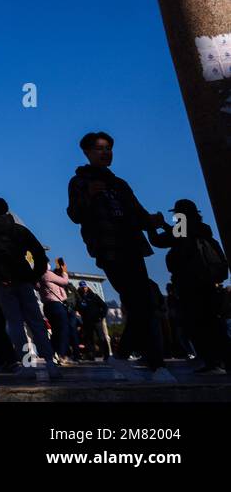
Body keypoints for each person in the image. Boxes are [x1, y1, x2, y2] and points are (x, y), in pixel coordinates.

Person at [67, 131, 171, 380]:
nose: (106, 153)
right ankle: (152, 363)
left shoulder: (119, 184)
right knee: (141, 304)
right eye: (100, 149)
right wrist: (89, 196)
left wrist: (153, 221)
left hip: (132, 246)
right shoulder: (79, 182)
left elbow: (137, 213)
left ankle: (137, 359)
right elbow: (75, 214)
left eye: (109, 149)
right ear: (88, 152)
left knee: (143, 305)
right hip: (109, 249)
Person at [0, 197, 61, 379]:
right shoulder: (18, 230)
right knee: (36, 322)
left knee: (15, 324)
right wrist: (34, 275)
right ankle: (51, 363)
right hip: (23, 280)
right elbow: (38, 252)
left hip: (4, 284)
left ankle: (27, 366)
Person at [149, 199, 230, 373]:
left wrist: (151, 226)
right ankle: (224, 359)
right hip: (207, 282)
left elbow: (160, 241)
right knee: (213, 323)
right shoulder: (201, 228)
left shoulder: (185, 226)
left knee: (197, 324)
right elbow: (177, 234)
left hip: (190, 284)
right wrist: (164, 224)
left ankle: (211, 360)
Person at [37, 261, 73, 363]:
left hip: (47, 306)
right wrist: (64, 272)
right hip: (56, 305)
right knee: (63, 330)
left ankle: (53, 353)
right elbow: (65, 281)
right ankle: (62, 354)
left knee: (55, 331)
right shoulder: (47, 273)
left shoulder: (37, 276)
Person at [76, 283, 111, 360]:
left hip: (96, 320)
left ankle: (106, 355)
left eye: (85, 287)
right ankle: (91, 355)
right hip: (87, 322)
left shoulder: (94, 296)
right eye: (82, 287)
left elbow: (104, 306)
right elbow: (78, 308)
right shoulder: (79, 298)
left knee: (101, 337)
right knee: (89, 339)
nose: (84, 288)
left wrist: (101, 316)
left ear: (87, 287)